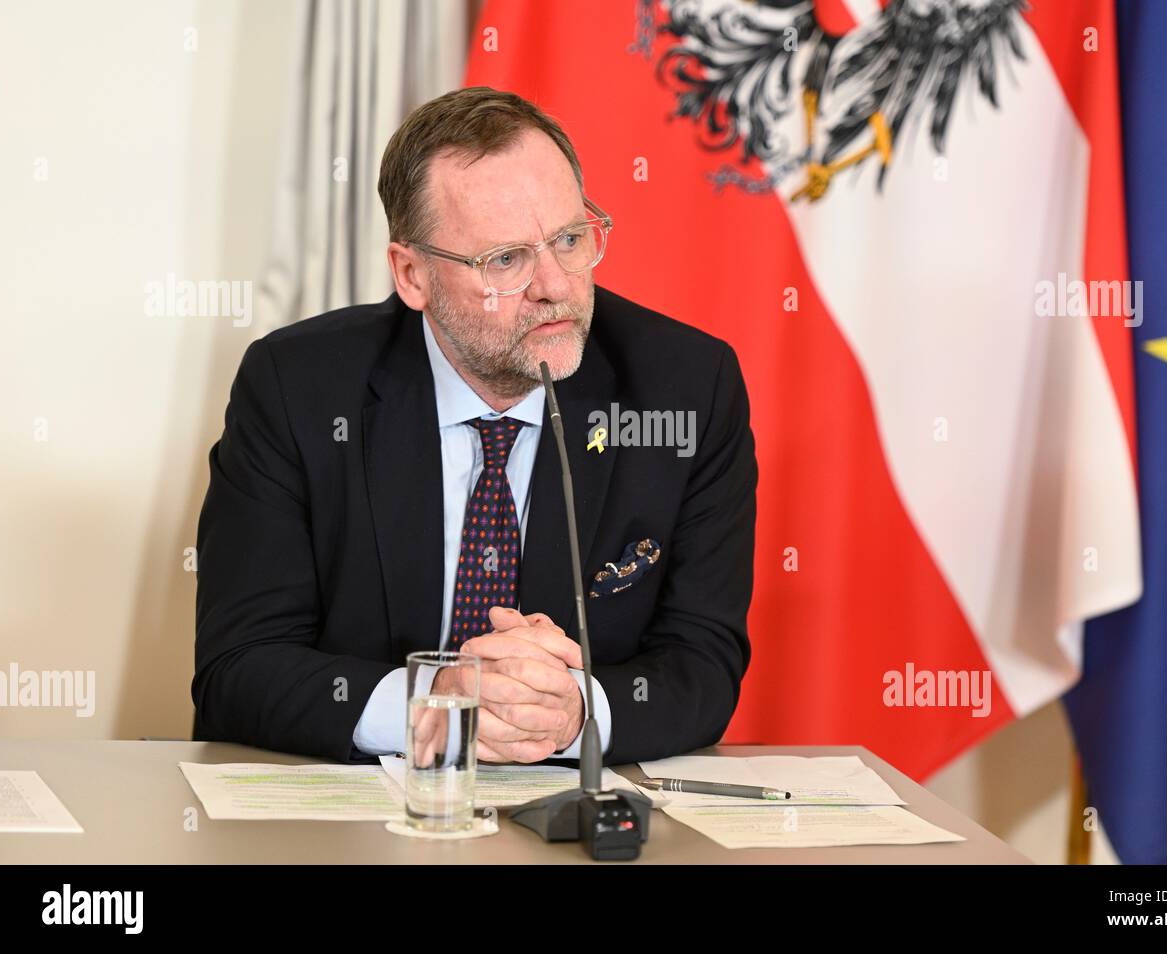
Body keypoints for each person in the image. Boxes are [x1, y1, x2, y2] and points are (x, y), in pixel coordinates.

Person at [192, 86, 757, 766]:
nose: (555, 284)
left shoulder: (687, 388)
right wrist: (433, 701)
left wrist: (573, 713)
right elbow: (237, 669)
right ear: (412, 274)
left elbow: (703, 662)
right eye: (506, 260)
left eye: (571, 239)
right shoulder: (296, 388)